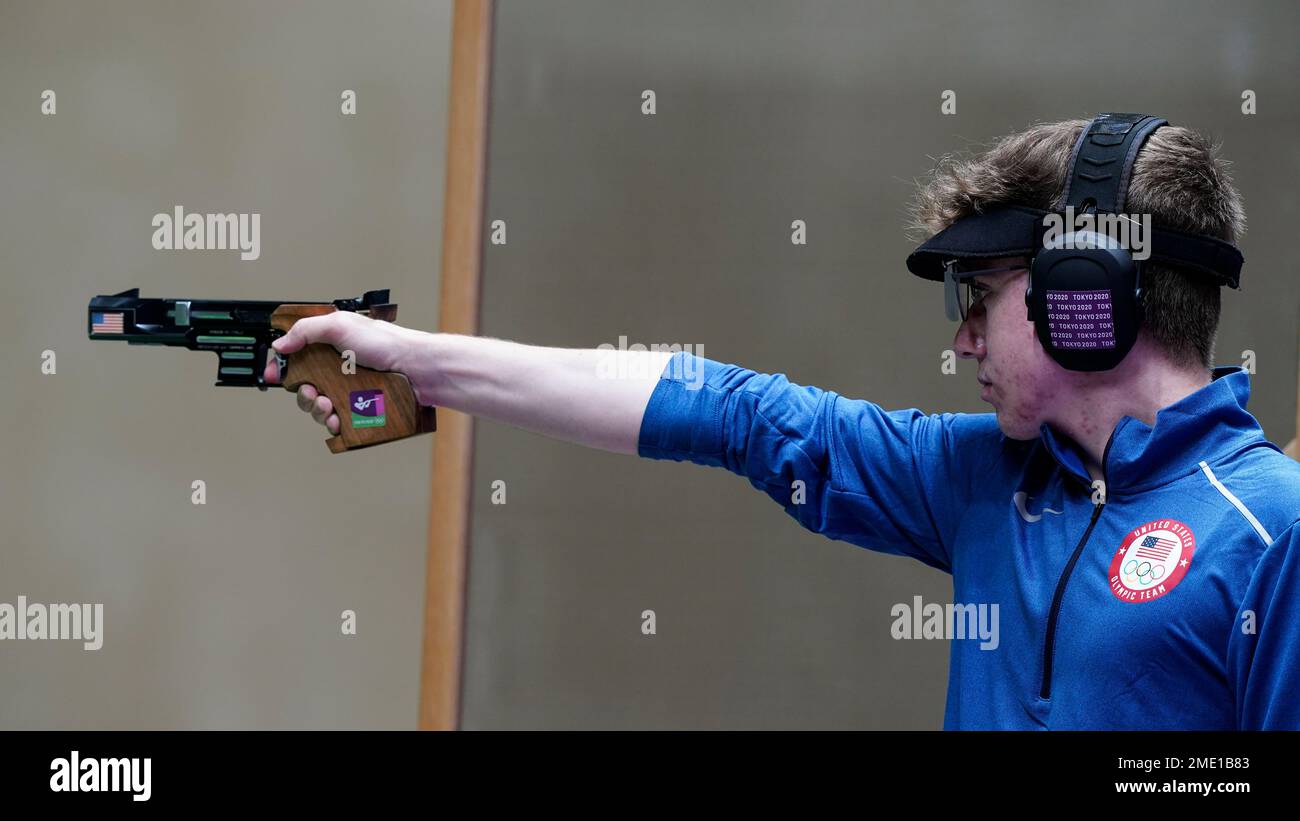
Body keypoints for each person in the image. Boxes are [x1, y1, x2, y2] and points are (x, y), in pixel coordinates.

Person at [265, 117, 1300, 730]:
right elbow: (726, 410)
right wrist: (422, 365)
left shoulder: (1269, 530)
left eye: (973, 294)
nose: (962, 342)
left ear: (1086, 288)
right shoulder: (989, 480)